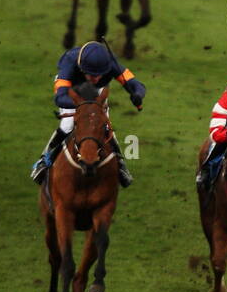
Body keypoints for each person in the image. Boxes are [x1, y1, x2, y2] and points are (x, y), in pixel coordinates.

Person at [30, 40, 146, 186]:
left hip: (95, 93)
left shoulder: (110, 62)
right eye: (91, 75)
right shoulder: (70, 61)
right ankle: (44, 160)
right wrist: (86, 106)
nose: (96, 78)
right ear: (82, 68)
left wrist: (137, 95)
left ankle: (120, 163)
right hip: (71, 90)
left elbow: (137, 84)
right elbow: (60, 98)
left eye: (100, 75)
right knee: (68, 124)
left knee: (105, 126)